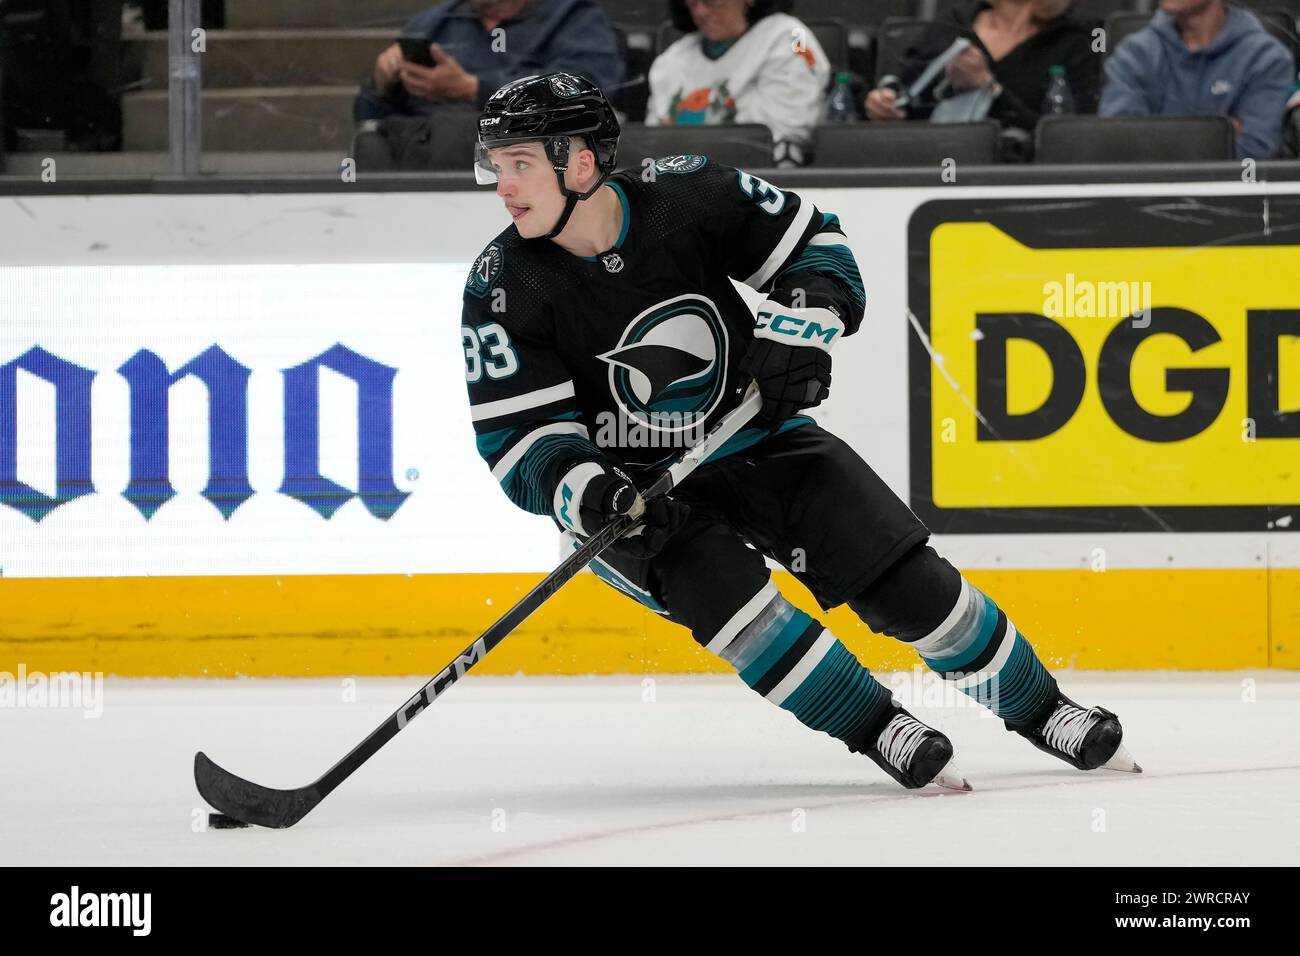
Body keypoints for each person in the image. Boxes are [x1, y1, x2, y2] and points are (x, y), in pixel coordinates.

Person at [461, 72, 1139, 789]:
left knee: (909, 586)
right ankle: (880, 727)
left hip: (754, 438)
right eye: (497, 166)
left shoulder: (687, 195)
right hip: (640, 502)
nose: (503, 187)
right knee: (733, 599)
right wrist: (592, 494)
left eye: (522, 164)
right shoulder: (503, 287)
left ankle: (1043, 709)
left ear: (583, 161)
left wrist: (801, 327)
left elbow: (818, 244)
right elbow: (521, 439)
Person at [354, 0, 623, 121]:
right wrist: (380, 84)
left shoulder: (574, 16)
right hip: (424, 168)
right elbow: (366, 119)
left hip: (535, 166)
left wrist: (474, 89)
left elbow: (583, 92)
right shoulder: (432, 23)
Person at [1098, 0, 1293, 160]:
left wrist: (1156, 134)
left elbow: (1254, 154)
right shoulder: (1134, 53)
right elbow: (1118, 145)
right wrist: (1217, 134)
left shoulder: (1267, 58)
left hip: (1233, 199)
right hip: (1142, 197)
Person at [646, 0, 830, 167]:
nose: (701, 12)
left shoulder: (790, 37)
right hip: (677, 188)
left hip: (755, 183)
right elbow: (652, 144)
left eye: (711, 2)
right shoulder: (670, 61)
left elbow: (784, 132)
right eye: (693, 3)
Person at [866, 0, 1099, 131]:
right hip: (937, 164)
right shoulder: (954, 23)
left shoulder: (1072, 43)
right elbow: (908, 89)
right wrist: (885, 102)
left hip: (1025, 176)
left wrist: (989, 88)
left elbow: (1067, 137)